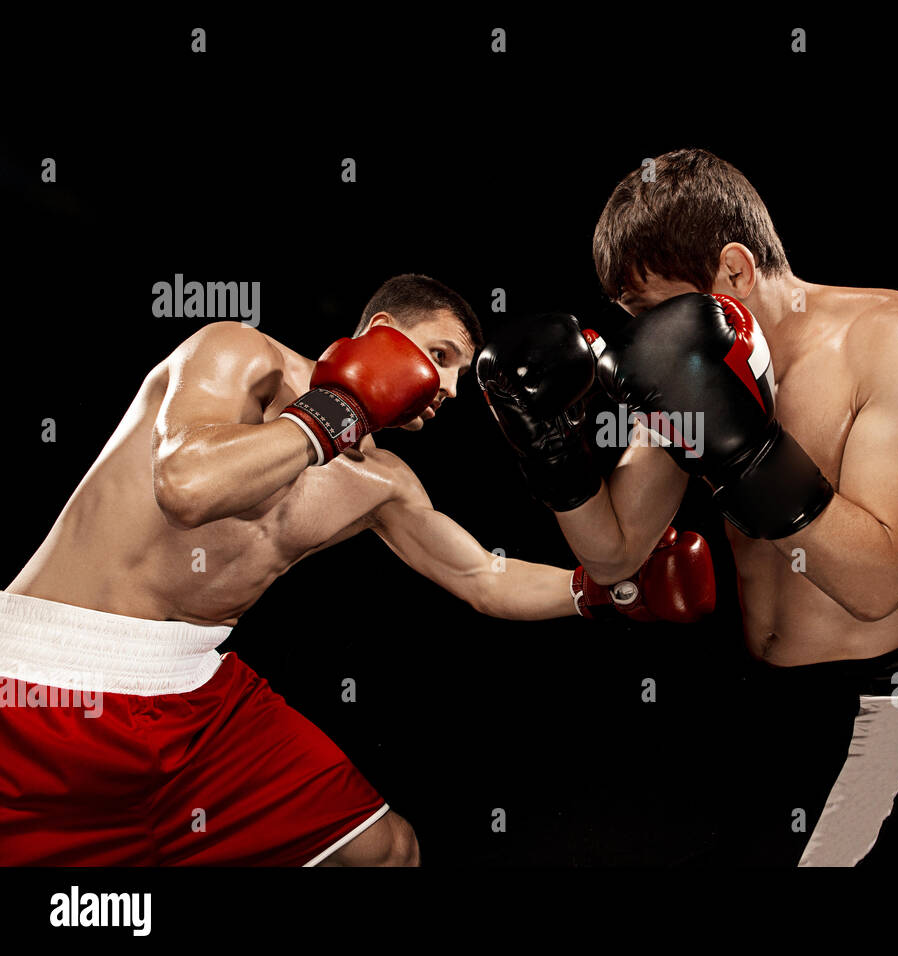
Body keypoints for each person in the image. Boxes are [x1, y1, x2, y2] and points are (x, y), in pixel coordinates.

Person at [0, 273, 714, 867]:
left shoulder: (383, 482)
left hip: (194, 696)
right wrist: (333, 410)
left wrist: (602, 591)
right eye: (438, 355)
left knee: (384, 851)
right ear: (378, 332)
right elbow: (186, 485)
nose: (447, 387)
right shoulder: (237, 354)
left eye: (460, 375)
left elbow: (482, 580)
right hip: (45, 681)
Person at [479, 149, 898, 865]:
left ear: (735, 271)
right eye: (632, 318)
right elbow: (614, 553)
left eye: (655, 311)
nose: (644, 337)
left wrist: (743, 451)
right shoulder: (687, 364)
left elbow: (880, 585)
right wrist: (550, 455)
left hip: (874, 706)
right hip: (750, 697)